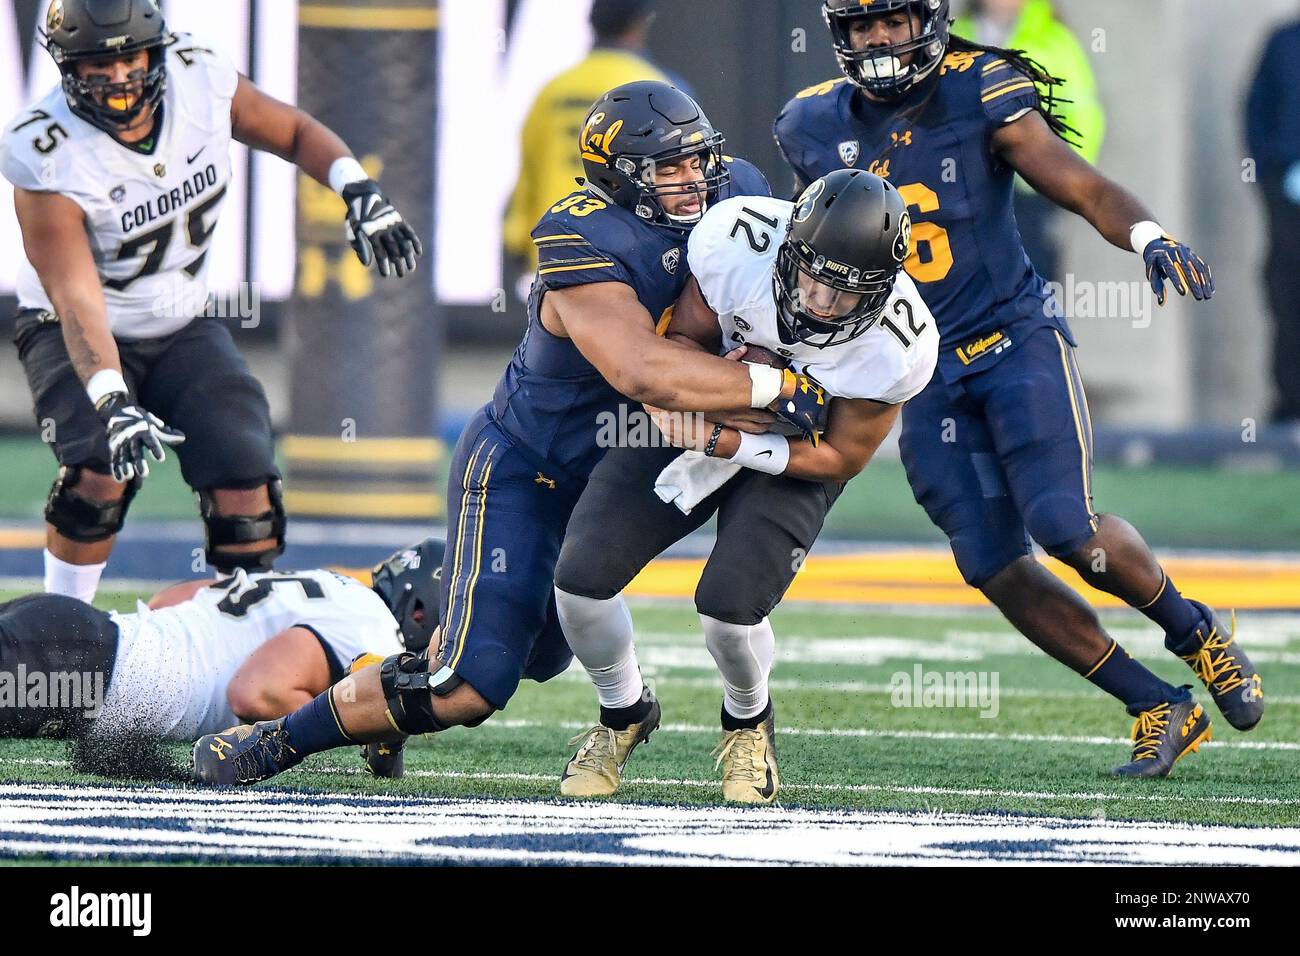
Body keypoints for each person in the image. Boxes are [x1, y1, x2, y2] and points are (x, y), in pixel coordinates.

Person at [189, 81, 832, 787]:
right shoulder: (583, 236)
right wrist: (775, 389)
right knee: (469, 685)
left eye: (698, 160)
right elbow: (645, 372)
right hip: (532, 469)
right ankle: (274, 741)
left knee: (544, 651)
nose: (694, 181)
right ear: (618, 178)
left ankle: (415, 675)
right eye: (667, 169)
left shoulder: (738, 191)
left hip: (627, 465)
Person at [773, 0, 1263, 778]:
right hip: (922, 366)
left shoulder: (981, 88)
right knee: (992, 563)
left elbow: (1082, 186)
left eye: (892, 20)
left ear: (928, 19)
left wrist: (1148, 235)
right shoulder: (809, 123)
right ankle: (1155, 704)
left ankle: (1195, 632)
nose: (877, 38)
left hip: (1011, 341)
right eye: (862, 25)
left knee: (1066, 526)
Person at [0, 0, 421, 604]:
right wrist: (112, 400)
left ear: (158, 52)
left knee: (246, 479)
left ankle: (242, 632)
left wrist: (357, 187)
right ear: (68, 68)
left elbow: (296, 131)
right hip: (72, 326)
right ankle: (62, 623)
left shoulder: (201, 77)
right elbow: (75, 297)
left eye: (132, 59)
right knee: (98, 473)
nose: (119, 79)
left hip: (178, 318)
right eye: (99, 65)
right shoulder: (45, 151)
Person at [553, 169, 937, 803]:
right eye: (811, 278)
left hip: (791, 455)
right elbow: (677, 348)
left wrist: (729, 441)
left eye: (843, 296)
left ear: (880, 293)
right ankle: (622, 712)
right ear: (786, 247)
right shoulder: (737, 240)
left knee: (730, 614)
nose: (818, 303)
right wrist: (716, 400)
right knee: (579, 583)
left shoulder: (899, 343)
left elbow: (840, 454)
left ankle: (748, 720)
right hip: (703, 420)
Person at [0, 540, 445, 778]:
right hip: (80, 667)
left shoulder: (330, 585)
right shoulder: (375, 631)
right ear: (422, 610)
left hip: (76, 633)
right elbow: (255, 693)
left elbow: (170, 600)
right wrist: (345, 724)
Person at [503, 0, 683, 287]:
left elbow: (526, 177)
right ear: (640, 24)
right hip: (626, 257)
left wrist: (517, 242)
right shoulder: (659, 90)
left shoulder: (553, 89)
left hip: (551, 250)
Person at [953, 0, 1104, 283]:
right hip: (967, 190)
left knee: (1032, 280)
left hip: (1030, 189)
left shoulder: (1054, 40)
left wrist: (1062, 177)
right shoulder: (958, 35)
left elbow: (1083, 114)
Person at [1245, 15, 1300, 424]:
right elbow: (1255, 111)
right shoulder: (1283, 41)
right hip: (1288, 189)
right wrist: (1270, 174)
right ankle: (1291, 403)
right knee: (1287, 290)